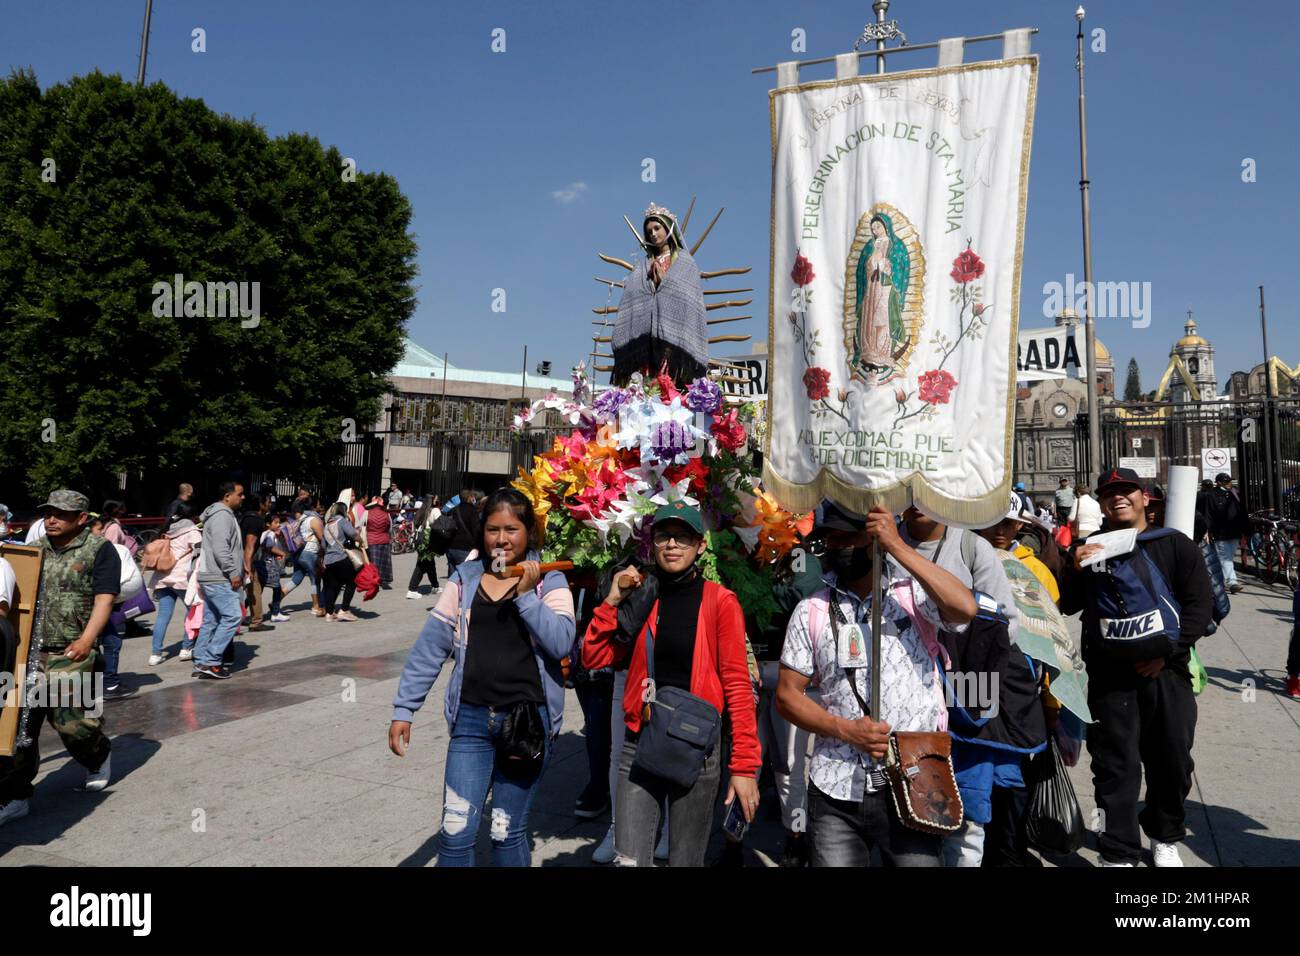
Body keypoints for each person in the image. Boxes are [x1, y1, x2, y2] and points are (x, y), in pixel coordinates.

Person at [776, 502, 977, 867]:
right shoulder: (812, 609)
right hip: (836, 786)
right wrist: (846, 730)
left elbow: (964, 607)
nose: (840, 546)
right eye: (832, 538)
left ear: (874, 539)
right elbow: (788, 696)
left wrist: (897, 546)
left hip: (914, 783)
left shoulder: (911, 596)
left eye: (850, 536)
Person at [389, 488, 576, 866]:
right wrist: (404, 709)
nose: (501, 539)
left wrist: (526, 596)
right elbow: (431, 647)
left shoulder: (549, 579)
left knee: (506, 834)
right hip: (471, 721)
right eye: (493, 529)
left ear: (529, 532)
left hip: (526, 724)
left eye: (511, 529)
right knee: (455, 833)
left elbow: (561, 642)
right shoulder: (466, 578)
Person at [581, 501, 760, 867]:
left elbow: (738, 686)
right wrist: (613, 600)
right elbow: (594, 657)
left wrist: (743, 767)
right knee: (628, 860)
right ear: (652, 544)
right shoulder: (641, 596)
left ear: (700, 545)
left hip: (697, 746)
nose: (673, 545)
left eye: (683, 537)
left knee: (685, 861)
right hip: (640, 740)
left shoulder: (721, 602)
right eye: (664, 536)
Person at [1059, 467, 1212, 867]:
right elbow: (1068, 604)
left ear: (1145, 498)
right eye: (1109, 493)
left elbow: (1200, 605)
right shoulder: (1090, 547)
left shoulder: (1174, 544)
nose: (1118, 498)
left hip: (1167, 673)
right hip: (1110, 677)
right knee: (1114, 766)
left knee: (1173, 761)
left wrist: (1168, 653)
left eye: (1127, 490)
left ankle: (1165, 837)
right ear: (1101, 504)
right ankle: (1118, 849)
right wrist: (1073, 567)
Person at [0, 490, 118, 826]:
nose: (52, 520)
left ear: (81, 518)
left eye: (61, 514)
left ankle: (98, 755)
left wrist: (86, 640)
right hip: (27, 652)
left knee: (73, 724)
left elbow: (105, 599)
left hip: (72, 651)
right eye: (49, 513)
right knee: (18, 727)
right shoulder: (33, 551)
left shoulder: (99, 549)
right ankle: (15, 795)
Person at [611, 203, 709, 385]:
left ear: (668, 228)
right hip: (645, 338)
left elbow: (689, 298)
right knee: (646, 383)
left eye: (657, 228)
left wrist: (666, 283)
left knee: (667, 383)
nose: (653, 234)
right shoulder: (642, 265)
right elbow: (632, 295)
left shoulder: (685, 262)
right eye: (649, 231)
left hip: (673, 341)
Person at [192, 481, 247, 680]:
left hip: (213, 575)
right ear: (227, 496)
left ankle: (201, 661)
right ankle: (211, 661)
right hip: (219, 576)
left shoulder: (219, 514)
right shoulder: (222, 516)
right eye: (240, 494)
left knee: (212, 620)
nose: (243, 497)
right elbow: (221, 548)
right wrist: (233, 572)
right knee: (233, 616)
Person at [146, 515, 202, 664]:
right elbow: (199, 553)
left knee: (163, 616)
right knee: (192, 612)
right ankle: (186, 648)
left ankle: (155, 654)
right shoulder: (192, 532)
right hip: (182, 579)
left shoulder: (167, 531)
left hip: (162, 578)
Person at [1202, 472, 1249, 594]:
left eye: (1229, 481)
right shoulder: (1211, 495)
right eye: (1226, 481)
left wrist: (1246, 528)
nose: (1229, 483)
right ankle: (1232, 582)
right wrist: (1208, 530)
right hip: (1220, 532)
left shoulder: (1235, 493)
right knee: (1225, 558)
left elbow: (1242, 511)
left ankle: (1220, 579)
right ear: (1218, 483)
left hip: (1234, 531)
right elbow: (1209, 514)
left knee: (1228, 558)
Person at [281, 495, 326, 617]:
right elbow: (322, 538)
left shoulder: (298, 520)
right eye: (318, 505)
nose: (320, 507)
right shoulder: (313, 520)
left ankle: (276, 600)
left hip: (298, 553)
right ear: (312, 507)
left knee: (296, 579)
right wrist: (324, 553)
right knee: (315, 579)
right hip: (310, 552)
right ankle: (316, 606)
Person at [320, 502, 363, 622]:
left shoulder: (327, 525)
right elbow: (353, 534)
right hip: (341, 557)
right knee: (352, 581)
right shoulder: (342, 521)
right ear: (344, 511)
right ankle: (344, 610)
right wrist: (360, 537)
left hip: (329, 560)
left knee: (332, 585)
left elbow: (323, 545)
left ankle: (329, 613)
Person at [240, 494, 274, 633]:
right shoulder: (255, 520)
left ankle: (243, 617)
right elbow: (250, 545)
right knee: (254, 588)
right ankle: (256, 622)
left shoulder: (246, 517)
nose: (270, 504)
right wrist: (248, 568)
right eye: (268, 501)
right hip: (245, 559)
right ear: (261, 504)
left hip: (240, 557)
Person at [406, 497, 441, 598]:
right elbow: (440, 523)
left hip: (419, 541)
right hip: (428, 540)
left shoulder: (421, 511)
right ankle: (412, 589)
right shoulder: (435, 510)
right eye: (435, 499)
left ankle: (435, 586)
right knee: (421, 566)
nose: (437, 501)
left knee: (430, 564)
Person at [259, 513, 290, 623]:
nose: (278, 525)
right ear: (268, 524)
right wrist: (282, 553)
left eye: (279, 522)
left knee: (258, 590)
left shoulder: (264, 533)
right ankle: (275, 613)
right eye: (275, 522)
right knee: (277, 588)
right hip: (269, 565)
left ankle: (243, 611)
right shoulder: (270, 534)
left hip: (262, 564)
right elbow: (269, 547)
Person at [445, 489, 480, 575]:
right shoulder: (472, 511)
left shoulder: (454, 510)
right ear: (469, 498)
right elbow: (476, 530)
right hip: (465, 548)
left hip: (451, 547)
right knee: (465, 577)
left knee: (452, 578)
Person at [365, 495, 394, 590]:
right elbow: (390, 528)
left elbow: (362, 525)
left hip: (371, 539)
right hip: (384, 539)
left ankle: (373, 581)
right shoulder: (386, 514)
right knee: (383, 561)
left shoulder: (367, 513)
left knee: (373, 562)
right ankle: (384, 580)